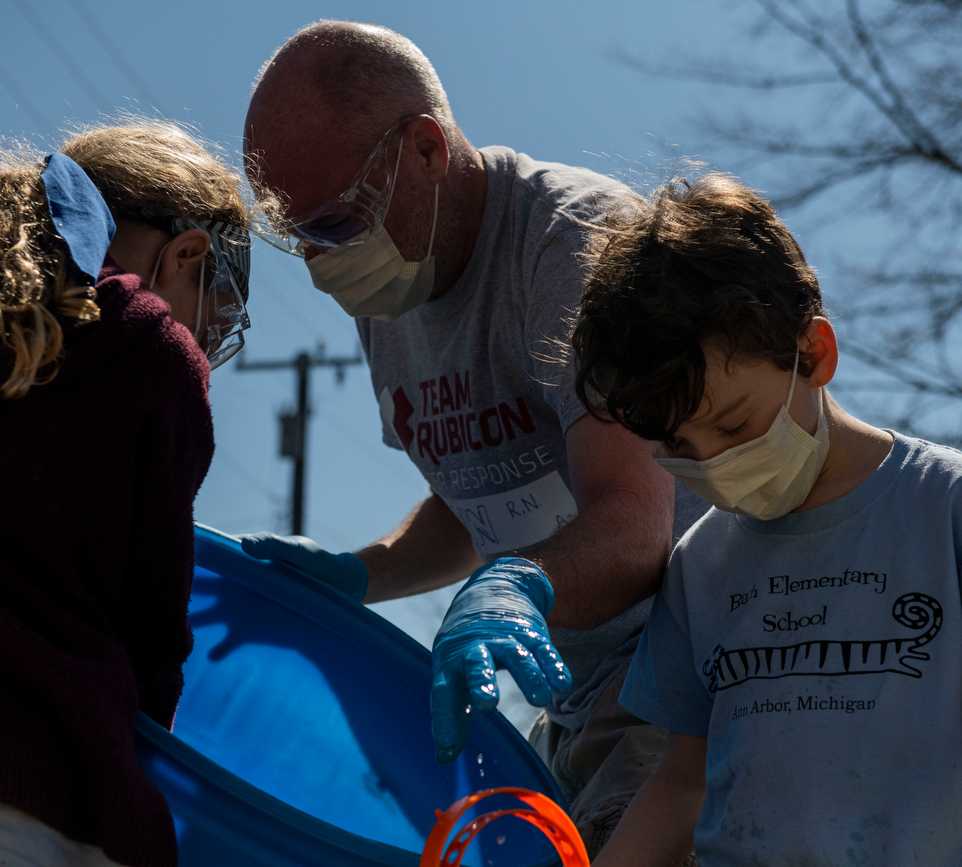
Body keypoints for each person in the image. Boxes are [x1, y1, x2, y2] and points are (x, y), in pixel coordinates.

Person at [569, 173, 962, 867]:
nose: (714, 465)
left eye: (733, 424)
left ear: (813, 353)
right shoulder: (700, 565)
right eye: (680, 448)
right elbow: (683, 780)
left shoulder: (960, 508)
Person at [240, 20, 705, 856]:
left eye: (336, 224)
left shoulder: (574, 244)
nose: (316, 262)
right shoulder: (394, 286)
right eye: (295, 234)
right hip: (572, 692)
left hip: (693, 685)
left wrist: (517, 586)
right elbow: (474, 498)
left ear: (425, 149)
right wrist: (361, 573)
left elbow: (637, 520)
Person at [0, 119, 271, 867]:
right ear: (187, 254)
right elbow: (152, 651)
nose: (205, 346)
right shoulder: (153, 357)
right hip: (15, 818)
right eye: (218, 323)